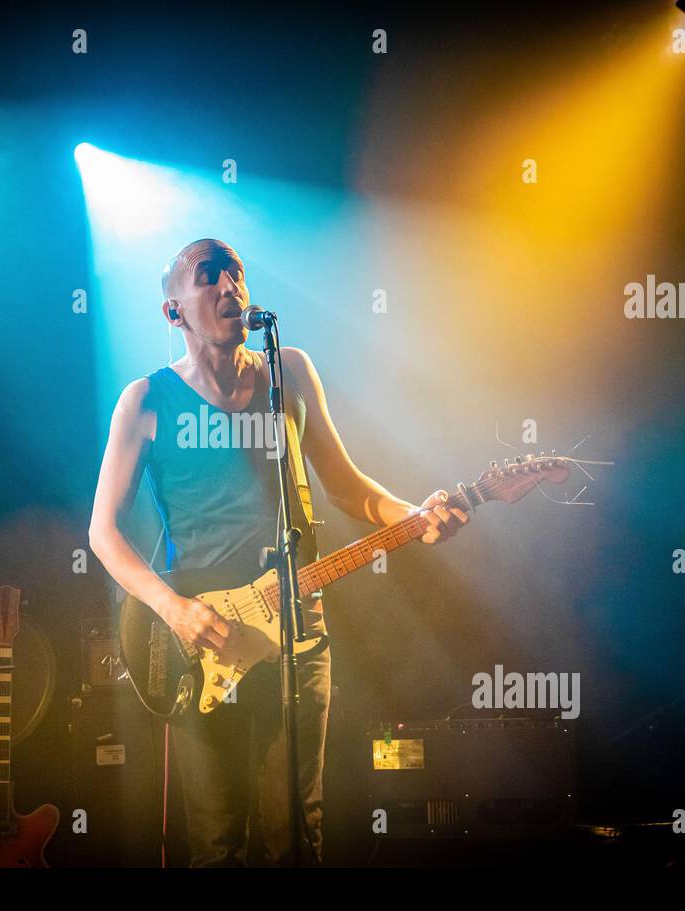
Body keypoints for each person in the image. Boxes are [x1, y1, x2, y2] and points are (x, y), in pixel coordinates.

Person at [88, 238, 468, 865]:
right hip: (202, 645)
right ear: (173, 312)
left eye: (233, 271)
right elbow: (103, 532)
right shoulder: (146, 400)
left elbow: (344, 484)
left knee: (298, 835)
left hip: (297, 635)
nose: (227, 284)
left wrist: (413, 515)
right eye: (206, 276)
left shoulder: (286, 371)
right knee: (217, 845)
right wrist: (174, 610)